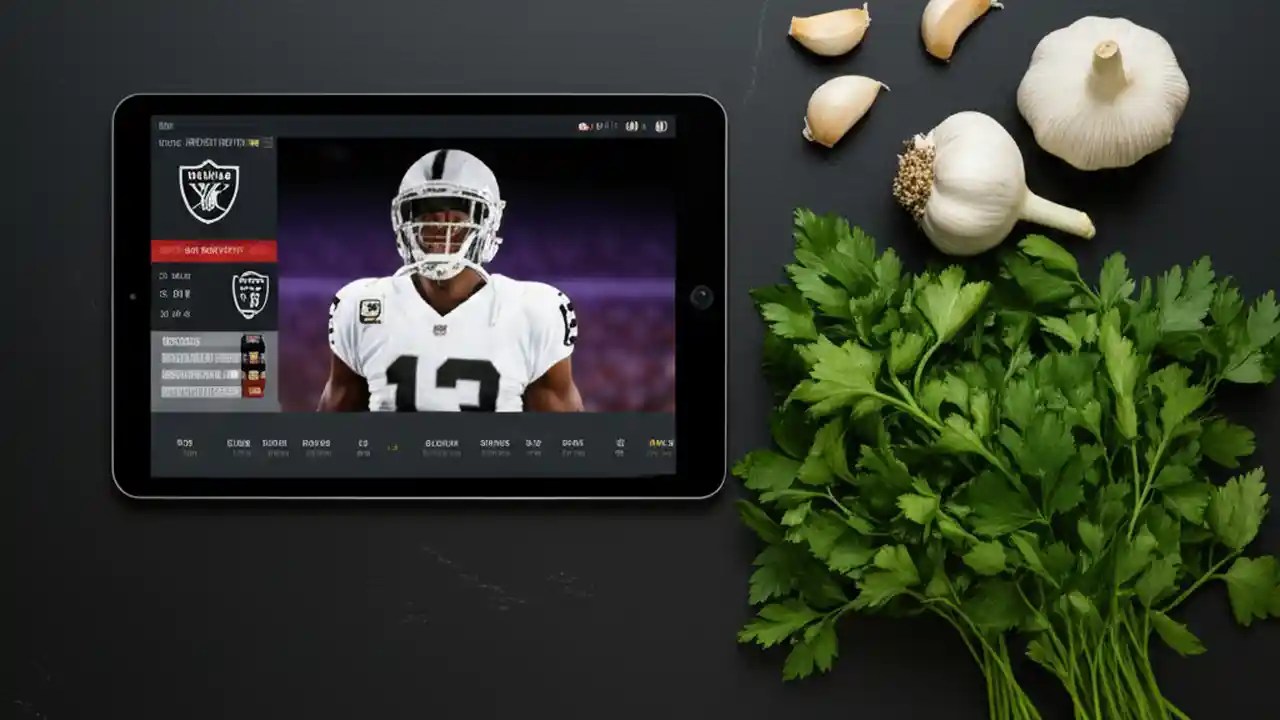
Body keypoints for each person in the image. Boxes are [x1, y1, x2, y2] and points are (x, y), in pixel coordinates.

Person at [318, 148, 584, 412]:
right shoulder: (361, 304)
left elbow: (565, 442)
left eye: (458, 210)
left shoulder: (534, 312)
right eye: (426, 208)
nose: (441, 223)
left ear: (488, 220)